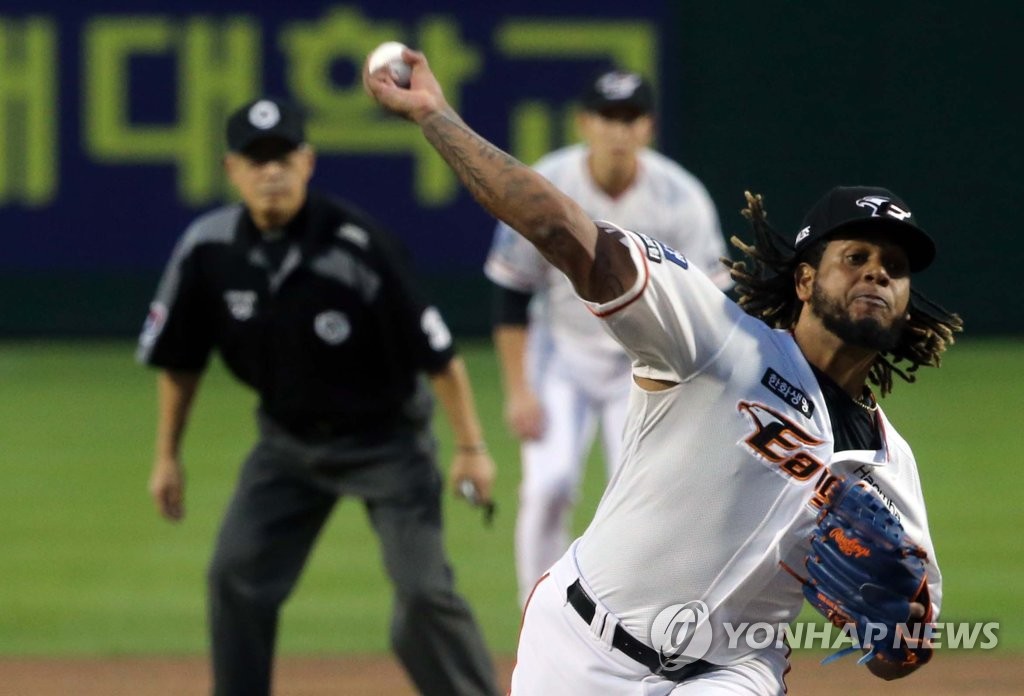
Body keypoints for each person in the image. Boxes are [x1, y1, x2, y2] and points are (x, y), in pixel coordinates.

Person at [364, 50, 962, 694]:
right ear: (805, 279)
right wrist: (436, 116)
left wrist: (899, 629)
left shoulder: (889, 467)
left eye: (895, 268)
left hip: (732, 674)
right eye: (856, 256)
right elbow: (563, 231)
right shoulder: (718, 342)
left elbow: (904, 651)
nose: (877, 273)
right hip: (580, 648)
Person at [138, 96, 500, 696]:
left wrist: (471, 448)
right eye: (256, 160)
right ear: (231, 170)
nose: (270, 172)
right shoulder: (208, 249)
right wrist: (166, 456)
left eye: (282, 157)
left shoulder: (358, 244)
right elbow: (179, 361)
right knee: (234, 575)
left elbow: (438, 355)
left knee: (423, 594)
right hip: (286, 447)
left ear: (307, 162)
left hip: (388, 443)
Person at [483, 69, 731, 606]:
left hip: (645, 366)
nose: (618, 130)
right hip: (560, 357)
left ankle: (628, 615)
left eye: (630, 118)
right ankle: (536, 612)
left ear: (648, 127)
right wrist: (518, 390)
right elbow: (511, 292)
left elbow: (713, 305)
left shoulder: (681, 197)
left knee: (640, 496)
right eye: (607, 117)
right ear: (584, 123)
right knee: (548, 486)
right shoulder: (547, 185)